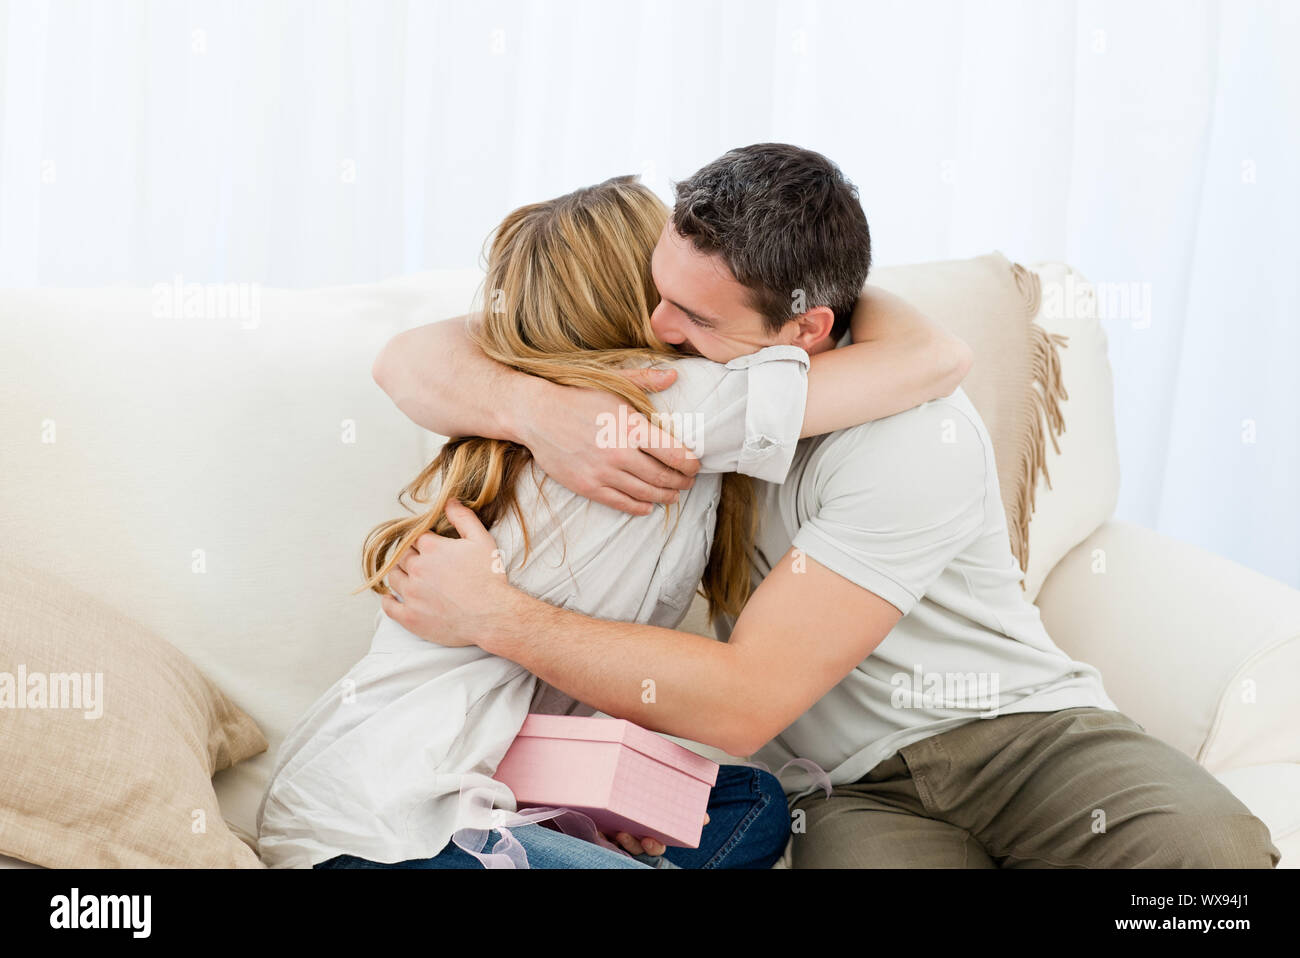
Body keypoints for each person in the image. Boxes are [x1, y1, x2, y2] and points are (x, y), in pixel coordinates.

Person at [376, 142, 1281, 869]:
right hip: (843, 786)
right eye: (659, 293)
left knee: (1211, 859)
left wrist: (494, 614)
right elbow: (410, 359)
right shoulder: (678, 392)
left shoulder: (905, 433)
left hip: (1020, 735)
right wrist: (538, 406)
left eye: (695, 316)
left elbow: (742, 703)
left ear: (806, 331)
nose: (655, 330)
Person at [256, 172, 973, 870]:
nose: (676, 312)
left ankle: (565, 838)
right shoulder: (670, 401)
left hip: (444, 783)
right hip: (391, 825)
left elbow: (408, 356)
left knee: (751, 802)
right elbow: (933, 359)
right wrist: (831, 281)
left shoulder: (562, 401)